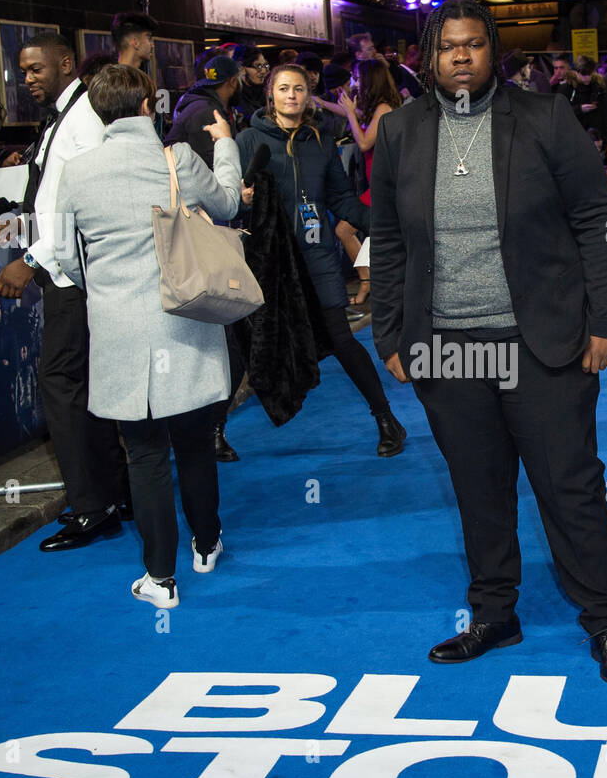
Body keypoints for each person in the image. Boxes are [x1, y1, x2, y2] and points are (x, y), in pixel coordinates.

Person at [370, 0, 607, 686]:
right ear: (428, 57)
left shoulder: (545, 117)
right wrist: (391, 331)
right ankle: (494, 614)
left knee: (571, 486)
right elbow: (393, 240)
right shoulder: (401, 130)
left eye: (474, 45)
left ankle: (606, 622)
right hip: (447, 347)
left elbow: (595, 217)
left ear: (494, 52)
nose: (461, 57)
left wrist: (605, 321)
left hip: (541, 341)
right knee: (478, 488)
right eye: (448, 47)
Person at [56, 65, 242, 607]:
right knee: (193, 443)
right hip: (184, 319)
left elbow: (67, 255)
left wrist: (110, 288)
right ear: (147, 106)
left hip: (119, 331)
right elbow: (228, 204)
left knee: (144, 455)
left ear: (97, 111)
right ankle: (206, 546)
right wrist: (226, 146)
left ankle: (160, 579)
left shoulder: (77, 171)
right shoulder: (176, 158)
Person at [0, 31, 129, 551]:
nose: (27, 79)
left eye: (36, 69)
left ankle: (94, 509)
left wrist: (30, 260)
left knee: (61, 385)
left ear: (66, 63)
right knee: (84, 388)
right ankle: (114, 496)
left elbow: (83, 205)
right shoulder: (66, 116)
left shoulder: (84, 117)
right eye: (22, 71)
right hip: (70, 273)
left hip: (75, 275)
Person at [235, 63, 406, 456]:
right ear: (270, 95)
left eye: (298, 88)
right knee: (251, 343)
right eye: (283, 88)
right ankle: (214, 430)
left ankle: (386, 420)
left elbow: (342, 199)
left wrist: (386, 224)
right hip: (270, 263)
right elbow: (232, 197)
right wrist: (240, 201)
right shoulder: (248, 141)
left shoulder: (321, 139)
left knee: (342, 339)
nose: (292, 95)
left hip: (317, 256)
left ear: (308, 95)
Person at [163, 54, 250, 461]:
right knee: (227, 348)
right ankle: (208, 433)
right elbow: (222, 198)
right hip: (202, 255)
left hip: (177, 263)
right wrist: (227, 144)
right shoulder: (210, 114)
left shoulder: (185, 107)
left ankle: (204, 433)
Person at [336, 56, 402, 311]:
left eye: (356, 76)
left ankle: (367, 283)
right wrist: (319, 102)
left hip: (385, 187)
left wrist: (352, 113)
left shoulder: (384, 109)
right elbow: (350, 115)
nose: (353, 81)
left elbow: (364, 142)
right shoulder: (380, 108)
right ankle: (372, 282)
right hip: (380, 186)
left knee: (344, 230)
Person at [559, 55, 607, 132]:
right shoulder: (566, 88)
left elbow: (606, 115)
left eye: (589, 74)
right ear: (576, 72)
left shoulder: (598, 87)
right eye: (583, 74)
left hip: (596, 135)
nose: (587, 78)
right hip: (574, 133)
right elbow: (560, 112)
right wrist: (579, 109)